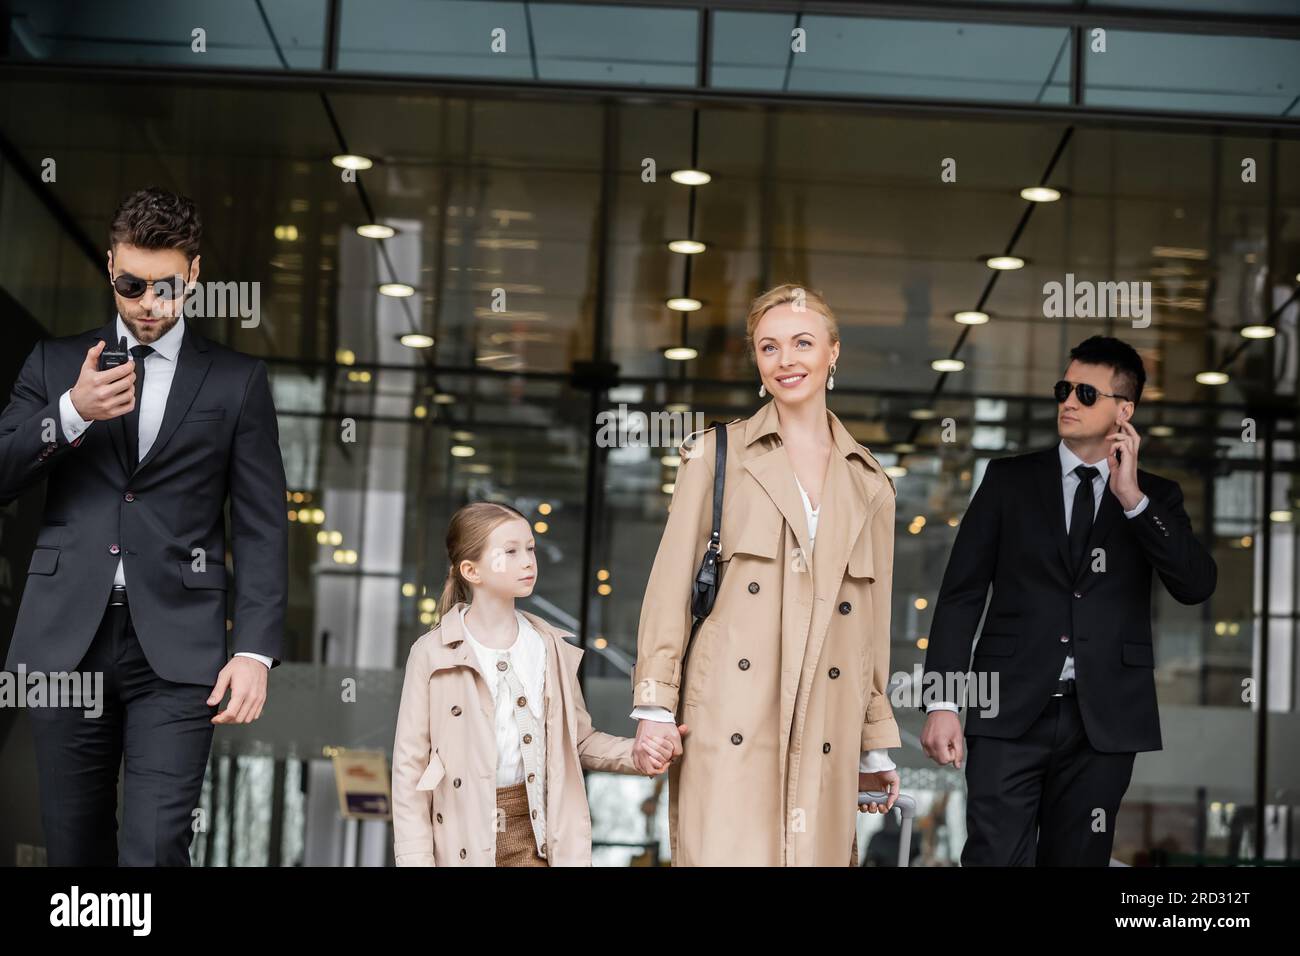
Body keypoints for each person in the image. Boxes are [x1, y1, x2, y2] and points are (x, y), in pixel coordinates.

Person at [0, 186, 288, 865]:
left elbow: (261, 525)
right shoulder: (53, 366)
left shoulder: (236, 382)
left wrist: (253, 650)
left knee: (157, 845)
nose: (149, 305)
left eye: (165, 286)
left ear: (193, 275)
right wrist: (70, 412)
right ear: (109, 268)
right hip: (67, 638)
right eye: (132, 285)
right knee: (74, 847)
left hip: (179, 649)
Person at [632, 283, 902, 866]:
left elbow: (871, 626)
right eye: (769, 347)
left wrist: (875, 742)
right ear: (756, 361)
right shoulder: (715, 455)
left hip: (827, 717)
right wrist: (655, 705)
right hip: (730, 710)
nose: (786, 361)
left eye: (802, 343)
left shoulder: (872, 483)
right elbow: (670, 587)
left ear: (833, 352)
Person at [920, 335, 1217, 866]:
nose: (1068, 402)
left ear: (1124, 410)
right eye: (1065, 389)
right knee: (993, 858)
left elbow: (1195, 585)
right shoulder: (1007, 481)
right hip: (1007, 711)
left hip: (1102, 724)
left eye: (1085, 393)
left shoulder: (1156, 498)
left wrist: (1132, 499)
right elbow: (962, 594)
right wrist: (943, 702)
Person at [391, 502, 671, 866]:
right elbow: (409, 768)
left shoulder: (547, 646)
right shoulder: (432, 653)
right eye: (510, 551)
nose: (528, 561)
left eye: (530, 549)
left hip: (537, 833)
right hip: (460, 837)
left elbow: (579, 740)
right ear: (470, 570)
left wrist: (637, 753)